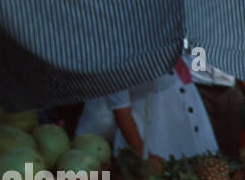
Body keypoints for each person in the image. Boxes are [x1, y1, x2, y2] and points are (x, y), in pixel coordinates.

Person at [76, 56, 217, 164]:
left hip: (197, 142)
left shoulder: (170, 41)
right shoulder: (117, 58)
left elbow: (191, 74)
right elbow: (121, 112)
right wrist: (144, 156)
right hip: (161, 151)